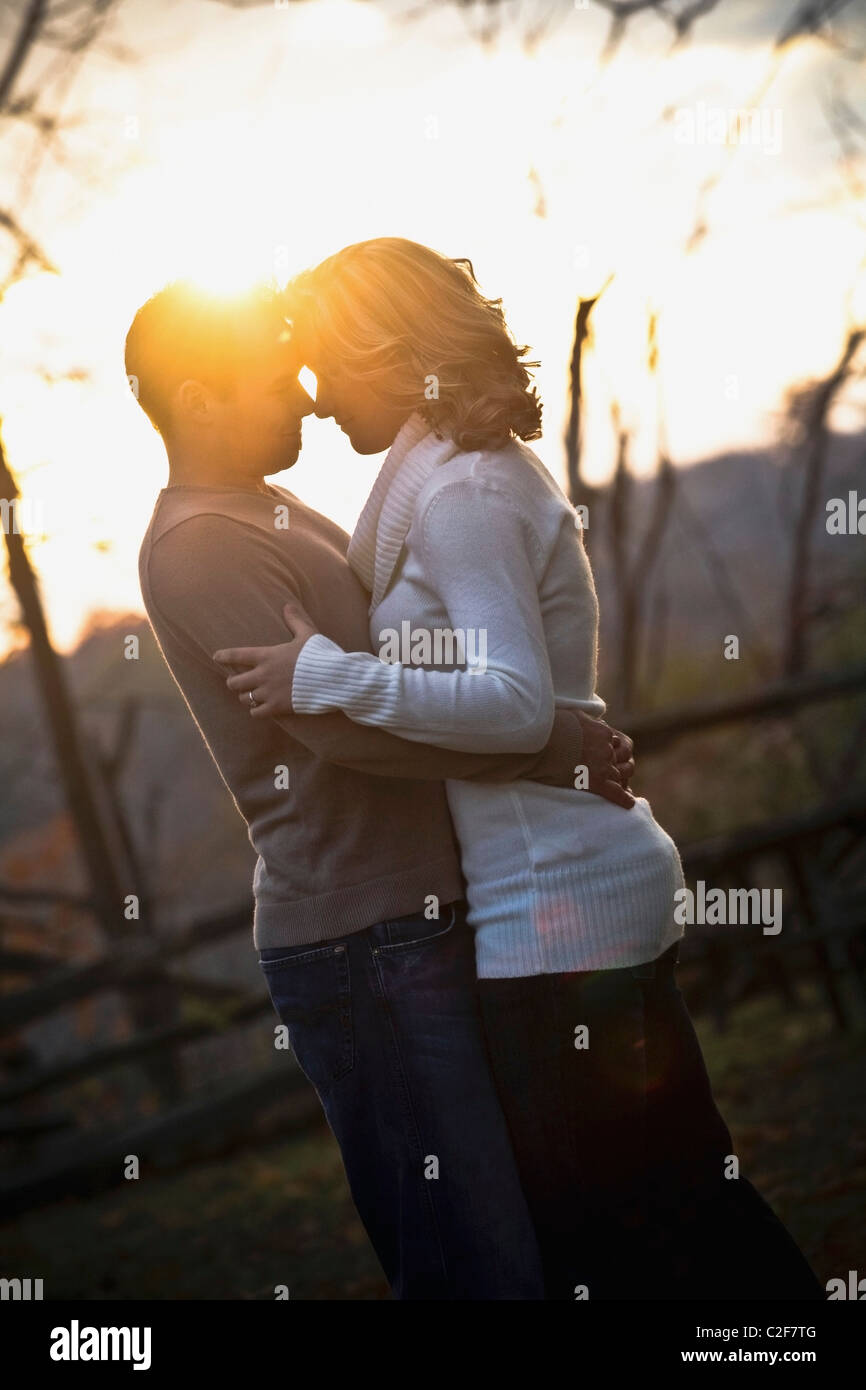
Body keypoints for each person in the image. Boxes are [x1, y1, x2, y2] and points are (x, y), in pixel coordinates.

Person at [214, 238, 825, 1301]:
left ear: (386, 352)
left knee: (640, 1226)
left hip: (557, 905)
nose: (310, 401)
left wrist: (329, 677)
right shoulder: (441, 484)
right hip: (558, 891)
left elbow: (508, 704)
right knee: (663, 1208)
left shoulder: (466, 495)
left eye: (321, 363)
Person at [127, 278, 636, 1301]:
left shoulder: (265, 506)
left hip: (423, 920)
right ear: (196, 401)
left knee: (538, 1240)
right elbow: (338, 732)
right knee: (472, 1267)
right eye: (277, 381)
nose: (309, 402)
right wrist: (541, 747)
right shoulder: (200, 545)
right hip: (365, 945)